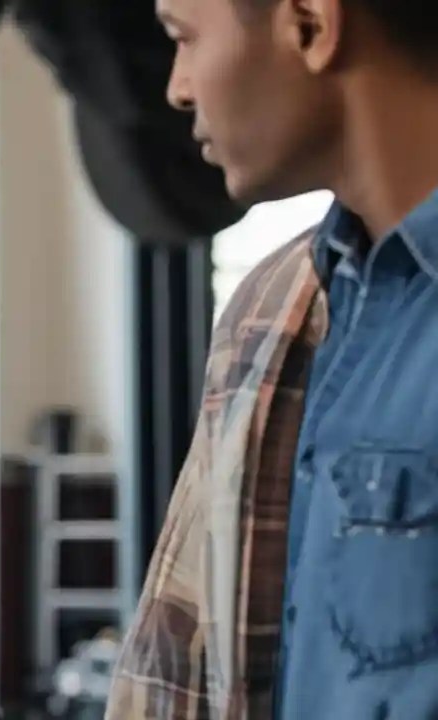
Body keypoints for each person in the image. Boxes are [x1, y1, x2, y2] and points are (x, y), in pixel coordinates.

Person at [108, 0, 438, 717]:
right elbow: (176, 672)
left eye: (184, 37)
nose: (178, 87)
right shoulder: (269, 316)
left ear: (311, 25)